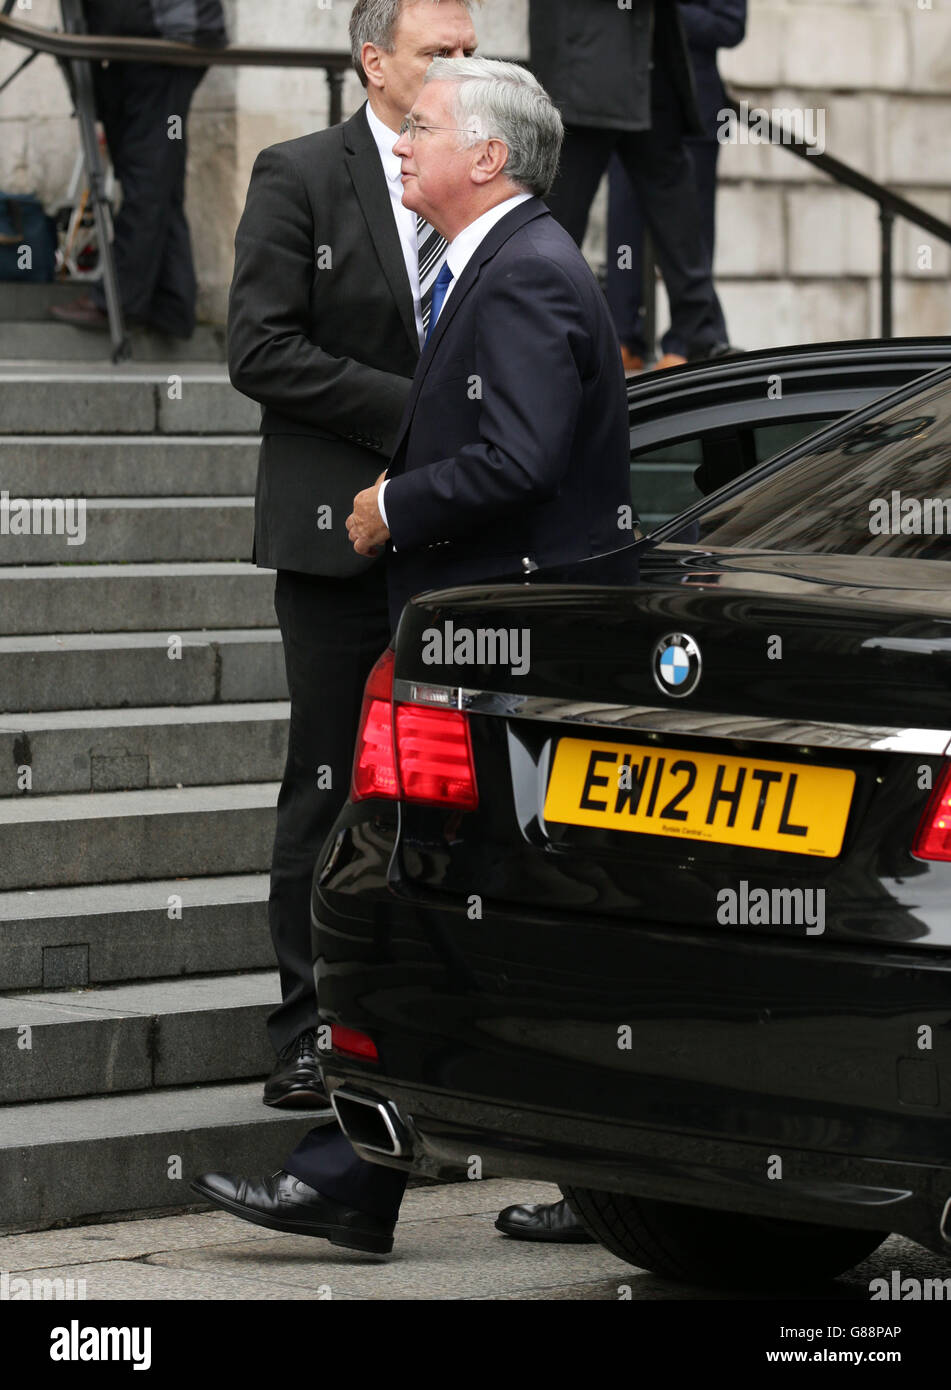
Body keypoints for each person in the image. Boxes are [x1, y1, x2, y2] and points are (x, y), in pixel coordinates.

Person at [193, 56, 633, 1255]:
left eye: (426, 126)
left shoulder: (525, 272)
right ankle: (371, 1177)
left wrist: (397, 502)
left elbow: (525, 457)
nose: (403, 140)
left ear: (486, 157)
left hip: (503, 652)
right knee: (454, 909)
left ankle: (364, 1175)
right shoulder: (501, 261)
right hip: (481, 648)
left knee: (434, 904)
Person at [226, 0, 478, 1112]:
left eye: (474, 51)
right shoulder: (298, 175)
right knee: (327, 785)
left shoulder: (485, 170)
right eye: (442, 52)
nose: (465, 67)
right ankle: (303, 1029)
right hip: (337, 542)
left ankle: (423, 1026)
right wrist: (415, 412)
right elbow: (260, 347)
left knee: (451, 800)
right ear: (375, 64)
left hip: (459, 541)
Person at [529, 0, 730, 371]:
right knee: (555, 220)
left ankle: (696, 337)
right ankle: (537, 336)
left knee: (677, 211)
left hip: (650, 69)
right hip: (586, 74)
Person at [52, 0, 226, 338]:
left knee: (147, 177)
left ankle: (116, 302)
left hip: (163, 41)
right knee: (157, 178)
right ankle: (171, 303)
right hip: (148, 41)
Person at [606, 0, 747, 371]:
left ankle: (685, 342)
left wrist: (658, 11)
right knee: (622, 224)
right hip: (625, 101)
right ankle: (623, 336)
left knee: (689, 231)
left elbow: (731, 25)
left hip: (689, 111)